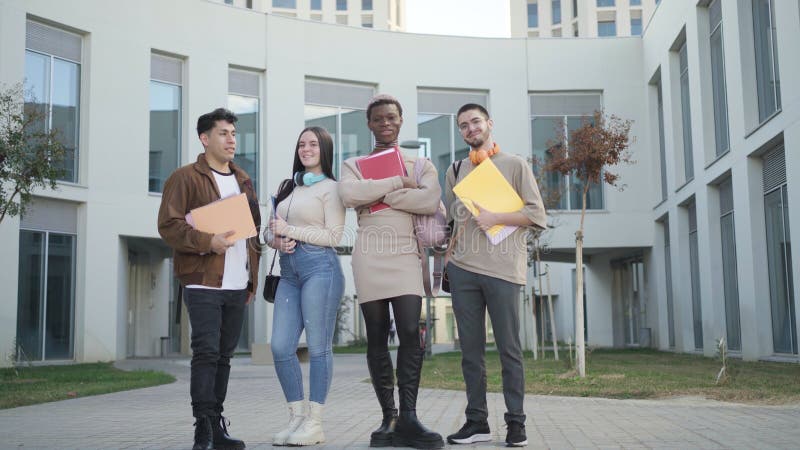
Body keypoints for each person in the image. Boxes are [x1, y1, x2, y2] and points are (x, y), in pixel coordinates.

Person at [338, 94, 445, 449]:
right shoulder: (354, 163)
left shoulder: (421, 163)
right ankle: (389, 417)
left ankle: (410, 417)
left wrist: (379, 196)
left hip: (404, 252)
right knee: (377, 334)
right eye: (378, 119)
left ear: (401, 121)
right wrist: (399, 185)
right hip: (369, 251)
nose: (385, 123)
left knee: (411, 331)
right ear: (369, 124)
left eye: (391, 118)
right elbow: (349, 195)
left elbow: (428, 201)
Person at [157, 107, 261, 450]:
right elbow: (169, 225)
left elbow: (253, 232)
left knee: (224, 357)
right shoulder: (185, 177)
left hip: (235, 284)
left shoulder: (244, 180)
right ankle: (202, 428)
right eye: (223, 133)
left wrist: (251, 280)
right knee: (206, 353)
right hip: (202, 280)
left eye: (233, 133)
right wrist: (208, 242)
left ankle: (217, 426)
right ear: (205, 139)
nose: (231, 139)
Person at [443, 104, 546, 447]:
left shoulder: (515, 165)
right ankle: (477, 422)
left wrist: (496, 217)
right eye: (463, 126)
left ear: (489, 124)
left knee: (509, 350)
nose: (470, 128)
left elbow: (536, 214)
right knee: (470, 353)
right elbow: (451, 223)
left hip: (503, 270)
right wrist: (445, 260)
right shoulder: (456, 169)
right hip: (463, 271)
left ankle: (516, 423)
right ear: (460, 133)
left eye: (475, 122)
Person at [267, 126, 346, 446]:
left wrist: (292, 232)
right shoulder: (288, 186)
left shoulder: (332, 188)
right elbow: (268, 230)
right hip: (289, 272)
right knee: (280, 346)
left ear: (324, 150)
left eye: (313, 144)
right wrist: (276, 239)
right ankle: (297, 417)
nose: (306, 148)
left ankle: (315, 423)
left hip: (320, 269)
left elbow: (334, 237)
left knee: (317, 348)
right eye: (301, 144)